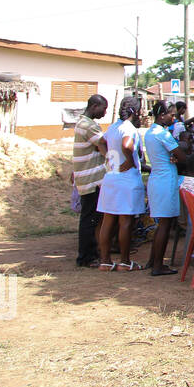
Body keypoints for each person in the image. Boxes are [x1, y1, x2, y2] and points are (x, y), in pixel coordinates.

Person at [96, 97, 148, 271]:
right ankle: (125, 261)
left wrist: (110, 157)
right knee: (125, 221)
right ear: (136, 111)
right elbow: (127, 144)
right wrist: (130, 161)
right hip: (126, 179)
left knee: (107, 220)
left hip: (111, 177)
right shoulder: (128, 128)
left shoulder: (113, 127)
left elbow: (101, 143)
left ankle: (105, 260)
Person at [143, 101, 186, 276]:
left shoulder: (150, 132)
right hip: (166, 180)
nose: (174, 118)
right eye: (171, 114)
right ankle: (158, 266)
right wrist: (178, 157)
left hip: (156, 179)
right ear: (162, 116)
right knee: (165, 225)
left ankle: (153, 260)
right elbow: (182, 156)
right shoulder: (163, 134)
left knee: (162, 223)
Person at [71, 94, 108, 268]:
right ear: (94, 106)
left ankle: (90, 253)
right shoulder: (89, 126)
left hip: (86, 177)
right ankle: (86, 256)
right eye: (103, 108)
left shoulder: (83, 123)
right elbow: (103, 144)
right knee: (90, 220)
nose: (104, 112)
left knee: (90, 218)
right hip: (91, 179)